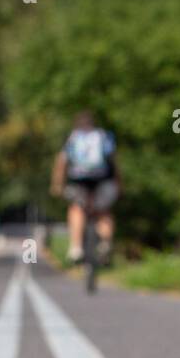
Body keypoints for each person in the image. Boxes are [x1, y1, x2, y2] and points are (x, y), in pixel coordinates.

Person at [50, 111, 120, 265]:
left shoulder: (73, 138)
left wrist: (57, 185)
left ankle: (76, 248)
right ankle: (105, 244)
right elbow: (114, 161)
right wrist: (119, 183)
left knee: (76, 209)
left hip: (79, 181)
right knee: (103, 212)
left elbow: (61, 163)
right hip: (103, 180)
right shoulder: (103, 136)